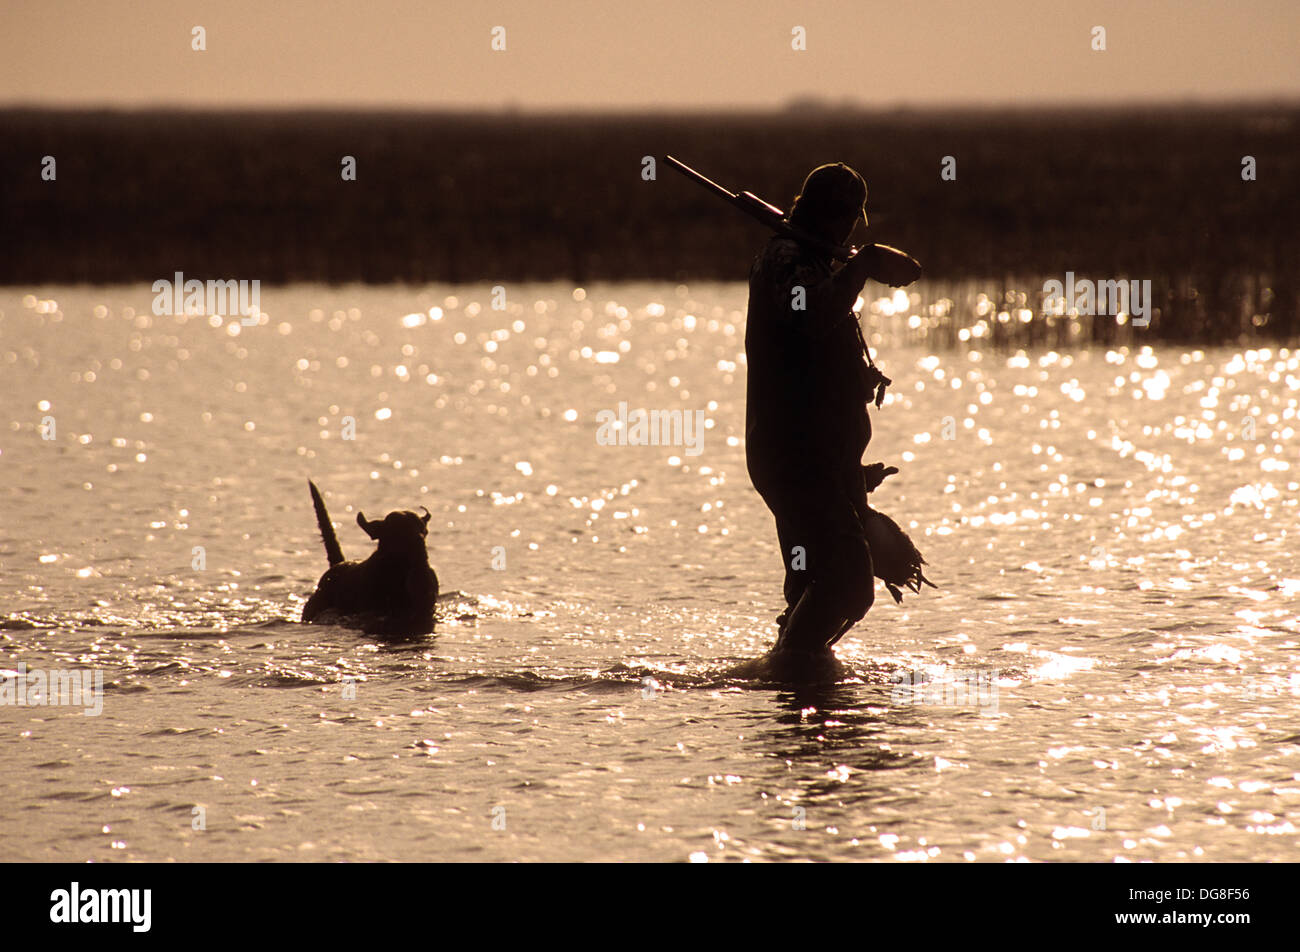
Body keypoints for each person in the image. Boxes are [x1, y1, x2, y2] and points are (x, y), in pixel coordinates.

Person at [744, 162, 920, 656]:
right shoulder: (784, 261)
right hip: (794, 461)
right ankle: (784, 669)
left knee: (812, 581)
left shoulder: (820, 266)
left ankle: (800, 688)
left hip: (822, 463)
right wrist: (862, 267)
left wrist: (851, 471)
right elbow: (811, 316)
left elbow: (822, 364)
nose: (846, 229)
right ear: (817, 212)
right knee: (847, 583)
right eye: (841, 217)